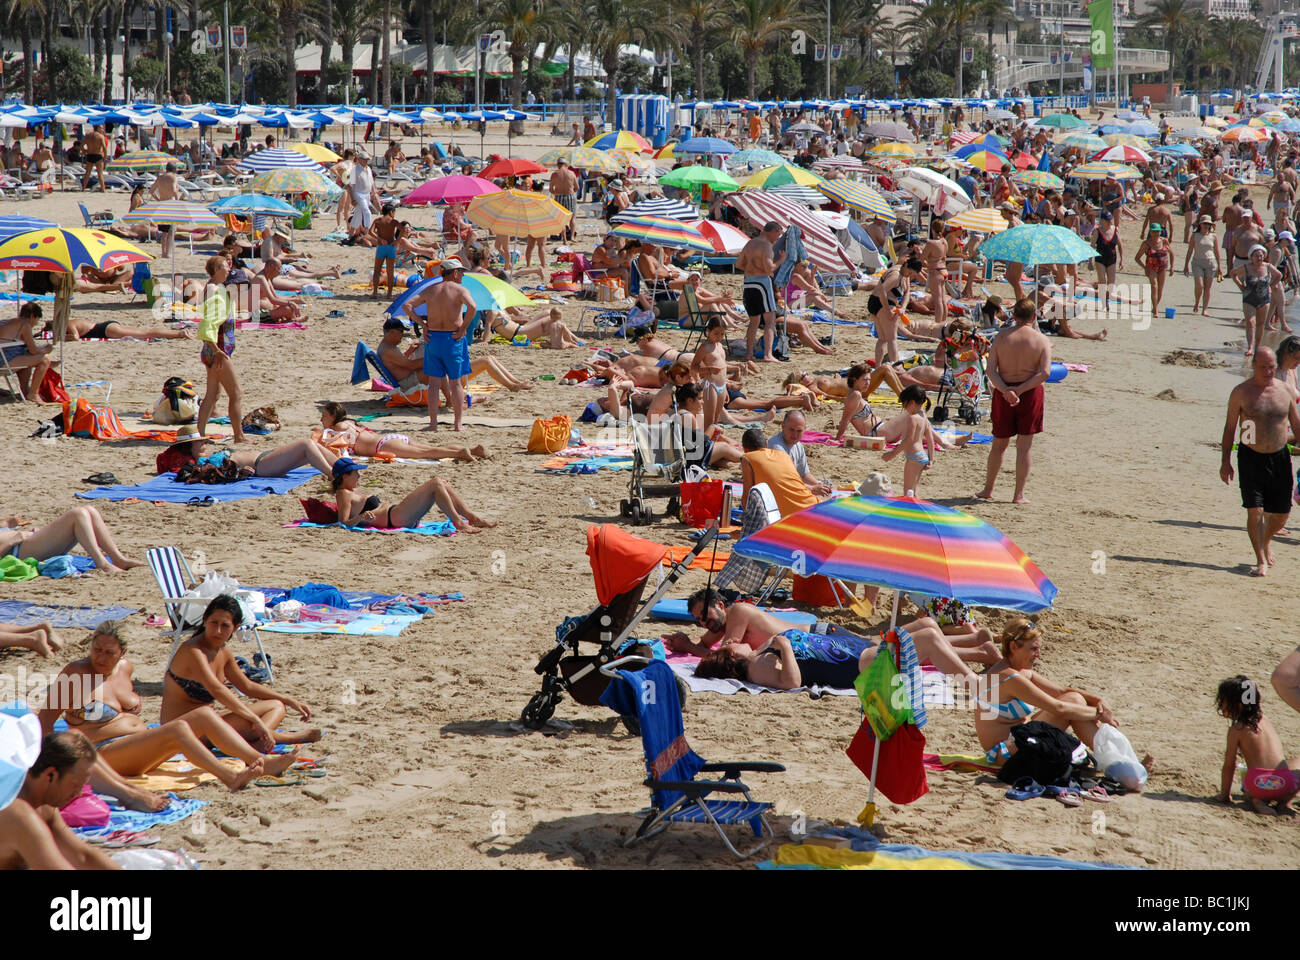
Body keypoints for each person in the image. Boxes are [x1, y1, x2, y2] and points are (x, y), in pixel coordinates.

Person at [37, 622, 297, 792]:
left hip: (141, 749)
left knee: (204, 714)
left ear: (123, 653)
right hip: (104, 755)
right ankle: (230, 779)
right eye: (96, 650)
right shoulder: (76, 673)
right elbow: (45, 720)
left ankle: (261, 760)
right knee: (179, 730)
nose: (101, 657)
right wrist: (58, 766)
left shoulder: (125, 669)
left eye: (109, 652)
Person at [674, 588, 981, 687]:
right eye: (698, 619)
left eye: (706, 615)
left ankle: (977, 654)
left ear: (720, 604)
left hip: (825, 636)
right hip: (837, 652)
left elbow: (716, 649)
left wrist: (689, 646)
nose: (704, 622)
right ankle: (978, 652)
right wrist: (692, 645)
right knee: (917, 637)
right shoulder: (752, 659)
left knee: (916, 638)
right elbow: (713, 650)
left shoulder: (738, 614)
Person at [161, 595, 321, 747]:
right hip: (181, 729)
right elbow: (217, 691)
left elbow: (247, 686)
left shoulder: (223, 651)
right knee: (249, 722)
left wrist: (288, 699)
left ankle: (258, 740)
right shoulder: (193, 651)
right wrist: (255, 720)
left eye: (225, 626)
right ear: (204, 621)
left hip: (208, 724)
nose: (217, 631)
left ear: (235, 627)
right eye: (213, 623)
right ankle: (289, 737)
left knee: (277, 706)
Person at [975, 619, 1138, 768]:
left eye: (1039, 649)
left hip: (1019, 739)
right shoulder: (1006, 676)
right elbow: (1057, 707)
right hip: (1003, 753)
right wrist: (1099, 714)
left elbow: (1063, 691)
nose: (1038, 655)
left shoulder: (1021, 670)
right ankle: (1119, 763)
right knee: (1070, 706)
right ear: (1013, 647)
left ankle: (1119, 760)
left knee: (1074, 698)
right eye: (1033, 649)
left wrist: (1098, 700)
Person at [1220, 347, 1300, 576]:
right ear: (1254, 365)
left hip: (1279, 457)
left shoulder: (1286, 391)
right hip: (1250, 456)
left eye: (1271, 367)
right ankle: (1261, 559)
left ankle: (1265, 540)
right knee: (1254, 511)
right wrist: (1225, 461)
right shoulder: (1241, 392)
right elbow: (1229, 428)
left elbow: (1296, 425)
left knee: (1282, 513)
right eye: (1263, 367)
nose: (1267, 371)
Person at [0, 730, 119, 869]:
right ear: (50, 775)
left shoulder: (44, 808)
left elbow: (84, 856)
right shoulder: (16, 811)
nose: (79, 794)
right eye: (75, 785)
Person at [977, 298, 1050, 504]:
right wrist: (1019, 390)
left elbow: (990, 369)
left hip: (1004, 391)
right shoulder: (1041, 340)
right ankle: (1018, 494)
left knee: (998, 445)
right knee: (1024, 447)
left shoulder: (1001, 337)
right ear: (1034, 317)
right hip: (1029, 393)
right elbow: (1044, 372)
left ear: (1014, 316)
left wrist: (1006, 390)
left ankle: (988, 489)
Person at [330, 456, 494, 533]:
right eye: (355, 473)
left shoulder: (351, 490)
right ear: (344, 476)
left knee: (441, 482)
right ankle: (459, 522)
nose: (359, 476)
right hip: (394, 518)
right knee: (436, 483)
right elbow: (343, 523)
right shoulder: (343, 493)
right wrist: (361, 517)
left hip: (396, 514)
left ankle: (471, 517)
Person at [404, 258, 476, 432]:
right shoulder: (459, 290)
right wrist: (463, 328)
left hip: (433, 338)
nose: (463, 276)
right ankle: (458, 424)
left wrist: (423, 325)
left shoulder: (430, 290)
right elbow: (472, 307)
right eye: (462, 272)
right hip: (453, 339)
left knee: (435, 384)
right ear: (455, 273)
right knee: (456, 383)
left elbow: (407, 305)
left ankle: (433, 424)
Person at [1215, 675, 1299, 815]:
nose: (1221, 706)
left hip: (1258, 784)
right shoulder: (1265, 720)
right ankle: (1285, 802)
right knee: (1296, 763)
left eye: (1223, 701)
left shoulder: (1237, 729)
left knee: (1254, 779)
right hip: (1285, 785)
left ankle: (1259, 800)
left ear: (1238, 704)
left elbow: (1229, 765)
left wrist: (1225, 796)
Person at [319, 401, 487, 463]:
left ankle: (459, 453)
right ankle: (473, 450)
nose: (321, 420)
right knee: (430, 447)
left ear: (334, 416)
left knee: (426, 453)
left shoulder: (336, 430)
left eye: (324, 416)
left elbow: (339, 453)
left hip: (383, 445)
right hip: (391, 438)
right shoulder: (350, 423)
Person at [155, 423, 339, 476]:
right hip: (261, 465)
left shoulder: (205, 459)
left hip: (265, 458)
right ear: (190, 446)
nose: (204, 444)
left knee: (312, 448)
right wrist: (242, 473)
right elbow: (222, 475)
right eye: (200, 443)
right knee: (306, 445)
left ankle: (344, 467)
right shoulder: (202, 464)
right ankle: (334, 475)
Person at [195, 256, 245, 443]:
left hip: (213, 349)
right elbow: (207, 324)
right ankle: (239, 436)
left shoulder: (214, 287)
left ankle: (199, 434)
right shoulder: (215, 290)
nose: (229, 270)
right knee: (236, 393)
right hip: (218, 350)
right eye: (225, 267)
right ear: (216, 269)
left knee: (213, 394)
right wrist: (216, 350)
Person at [0, 507, 142, 572]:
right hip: (17, 551)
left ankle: (118, 559)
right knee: (77, 515)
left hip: (25, 541)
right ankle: (102, 564)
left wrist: (8, 523)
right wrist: (11, 541)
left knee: (90, 510)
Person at [739, 427, 818, 518]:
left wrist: (746, 519)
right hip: (813, 506)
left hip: (790, 518)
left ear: (745, 449)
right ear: (767, 444)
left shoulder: (747, 458)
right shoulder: (784, 455)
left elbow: (747, 494)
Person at [737, 221, 784, 363]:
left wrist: (752, 268)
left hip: (748, 282)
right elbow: (769, 268)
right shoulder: (766, 246)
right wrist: (781, 259)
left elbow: (739, 264)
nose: (778, 239)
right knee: (770, 320)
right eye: (778, 235)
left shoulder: (750, 243)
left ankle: (749, 354)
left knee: (754, 321)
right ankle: (767, 355)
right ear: (773, 231)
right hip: (762, 282)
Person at [1231, 245, 1282, 359]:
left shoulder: (1268, 267)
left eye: (1261, 255)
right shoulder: (1246, 267)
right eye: (1256, 256)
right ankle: (1250, 347)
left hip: (1264, 300)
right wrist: (1240, 286)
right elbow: (1233, 274)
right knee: (1250, 322)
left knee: (1260, 324)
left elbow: (1279, 275)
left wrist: (1271, 286)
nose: (1259, 258)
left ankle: (1257, 348)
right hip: (1249, 298)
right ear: (1251, 257)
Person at [768, 410, 831, 497]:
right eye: (792, 430)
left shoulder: (798, 445)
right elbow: (785, 481)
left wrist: (820, 485)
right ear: (782, 426)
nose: (795, 434)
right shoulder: (776, 447)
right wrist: (812, 488)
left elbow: (804, 474)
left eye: (799, 431)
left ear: (804, 429)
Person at [0, 303, 56, 401]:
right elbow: (33, 350)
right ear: (32, 316)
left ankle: (25, 391)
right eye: (37, 320)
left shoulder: (8, 322)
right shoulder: (25, 324)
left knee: (27, 357)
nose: (35, 324)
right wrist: (45, 350)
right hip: (3, 361)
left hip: (4, 356)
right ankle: (33, 394)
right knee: (44, 361)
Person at [1184, 214, 1222, 316]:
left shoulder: (1213, 236)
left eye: (1208, 224)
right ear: (1200, 224)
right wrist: (1186, 265)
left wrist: (1220, 267)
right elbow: (1190, 251)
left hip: (1211, 263)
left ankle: (1204, 309)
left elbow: (1217, 252)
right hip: (1197, 262)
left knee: (1207, 287)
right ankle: (1197, 302)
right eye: (1204, 223)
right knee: (1199, 285)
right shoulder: (1195, 236)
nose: (1206, 225)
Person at [1134, 225, 1172, 319]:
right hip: (1151, 267)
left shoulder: (1164, 241)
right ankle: (1155, 310)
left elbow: (1172, 253)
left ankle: (1155, 306)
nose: (1156, 233)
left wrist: (1172, 267)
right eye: (1154, 231)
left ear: (1160, 232)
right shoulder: (1146, 244)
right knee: (1154, 286)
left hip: (1163, 267)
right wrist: (1145, 267)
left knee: (1160, 289)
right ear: (1150, 232)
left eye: (1158, 231)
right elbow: (1137, 258)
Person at [370, 203, 400, 298]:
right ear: (391, 212)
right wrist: (397, 241)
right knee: (390, 272)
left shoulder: (378, 220)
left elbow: (370, 232)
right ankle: (389, 294)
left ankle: (375, 292)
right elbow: (403, 230)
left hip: (381, 247)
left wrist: (380, 239)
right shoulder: (393, 221)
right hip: (391, 247)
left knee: (377, 270)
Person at [549, 158, 579, 242]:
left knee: (560, 218)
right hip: (570, 196)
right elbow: (577, 187)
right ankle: (572, 237)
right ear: (566, 165)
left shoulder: (554, 174)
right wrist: (571, 191)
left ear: (558, 165)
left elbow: (551, 189)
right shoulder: (571, 173)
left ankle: (563, 237)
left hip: (559, 197)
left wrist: (557, 193)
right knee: (572, 218)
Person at [79, 125, 108, 191]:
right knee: (100, 173)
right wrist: (105, 157)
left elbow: (81, 145)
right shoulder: (100, 136)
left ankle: (83, 188)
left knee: (87, 173)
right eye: (101, 128)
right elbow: (104, 148)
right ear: (97, 128)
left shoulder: (88, 136)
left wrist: (85, 151)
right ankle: (103, 189)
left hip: (90, 154)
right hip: (98, 154)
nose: (103, 129)